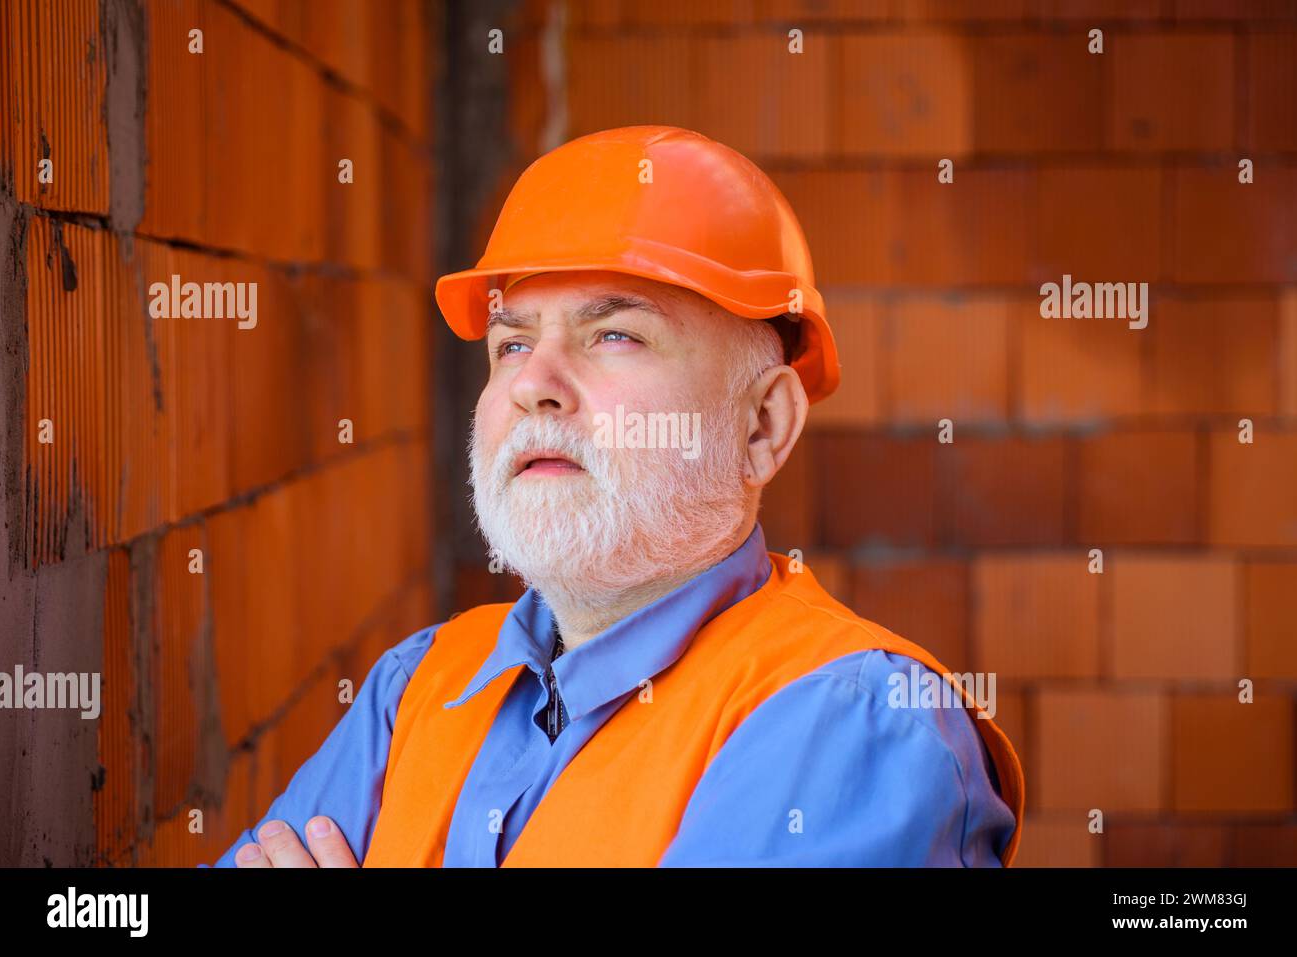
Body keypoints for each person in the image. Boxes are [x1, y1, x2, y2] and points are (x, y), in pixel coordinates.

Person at [212, 125, 1024, 868]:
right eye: (512, 342)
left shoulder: (852, 725)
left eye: (616, 335)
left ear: (762, 426)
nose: (535, 384)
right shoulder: (416, 685)